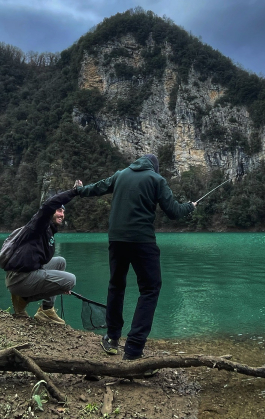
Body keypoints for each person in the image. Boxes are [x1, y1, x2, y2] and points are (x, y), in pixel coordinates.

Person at [77, 154, 196, 360]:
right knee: (150, 289)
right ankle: (133, 349)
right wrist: (190, 207)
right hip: (142, 241)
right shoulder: (156, 180)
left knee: (116, 285)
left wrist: (79, 190)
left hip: (117, 240)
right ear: (154, 167)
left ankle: (112, 339)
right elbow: (174, 212)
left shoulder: (120, 175)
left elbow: (97, 187)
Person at [0, 181, 82, 324]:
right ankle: (23, 299)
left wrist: (58, 285)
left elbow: (40, 262)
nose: (62, 214)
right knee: (71, 280)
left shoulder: (48, 231)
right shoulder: (38, 225)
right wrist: (73, 192)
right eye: (58, 210)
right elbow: (48, 205)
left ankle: (46, 310)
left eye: (63, 211)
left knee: (60, 262)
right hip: (19, 278)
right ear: (51, 213)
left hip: (25, 275)